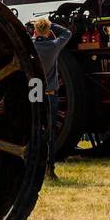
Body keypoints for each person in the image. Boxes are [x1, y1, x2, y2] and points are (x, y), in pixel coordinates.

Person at [31, 18, 73, 179]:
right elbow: (67, 33)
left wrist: (34, 29)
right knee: (49, 133)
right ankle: (50, 168)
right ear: (48, 32)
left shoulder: (31, 46)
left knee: (34, 131)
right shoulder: (54, 46)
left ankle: (33, 167)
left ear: (35, 31)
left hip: (34, 92)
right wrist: (51, 25)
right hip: (50, 94)